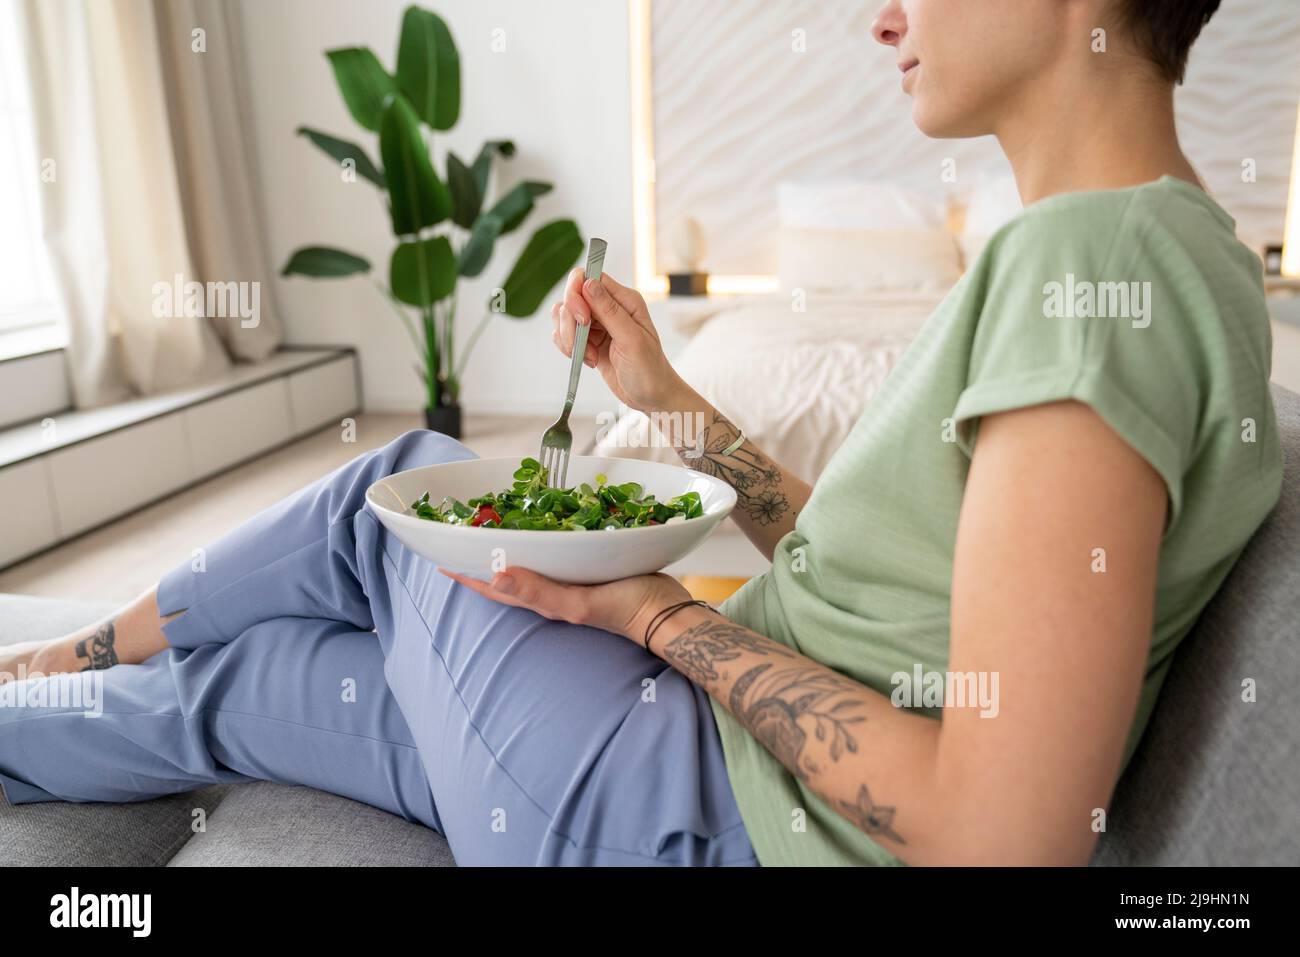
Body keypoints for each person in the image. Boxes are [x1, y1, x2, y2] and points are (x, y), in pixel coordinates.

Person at [0, 0, 1279, 865]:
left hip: (685, 810)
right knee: (240, 688)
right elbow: (867, 574)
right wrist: (668, 402)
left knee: (405, 490)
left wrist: (660, 619)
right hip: (677, 775)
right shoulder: (1154, 253)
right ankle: (53, 684)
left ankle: (77, 641)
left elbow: (1006, 832)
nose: (880, 13)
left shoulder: (1096, 270)